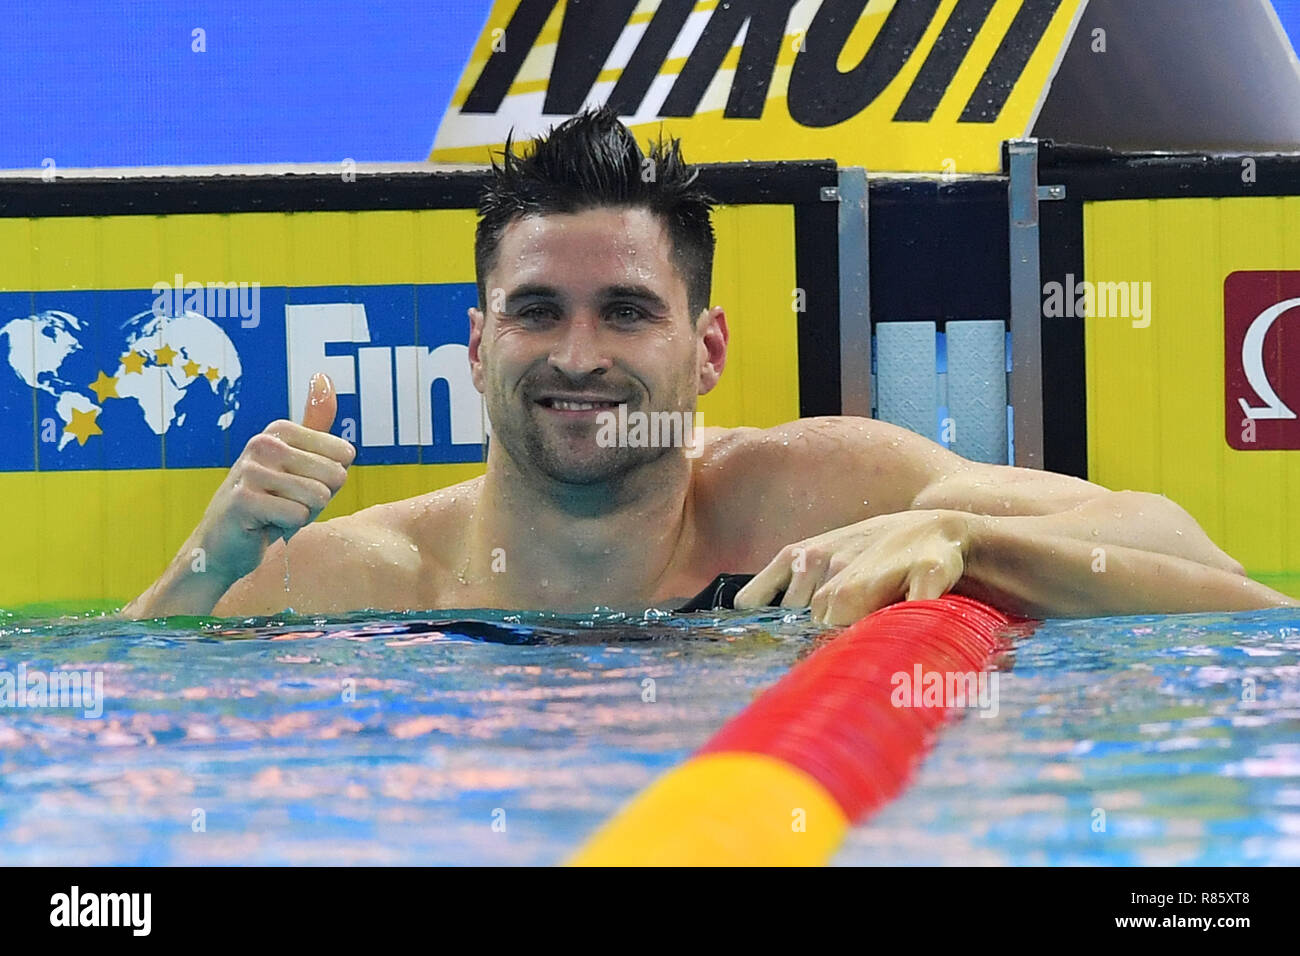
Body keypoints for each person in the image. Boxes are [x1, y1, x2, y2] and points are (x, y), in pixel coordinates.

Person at [123, 108, 1296, 624]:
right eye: (538, 312)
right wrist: (202, 562)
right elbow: (107, 744)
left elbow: (1203, 566)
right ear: (479, 346)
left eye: (627, 311)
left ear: (709, 349)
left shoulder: (820, 492)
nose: (577, 357)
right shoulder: (359, 577)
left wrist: (978, 541)